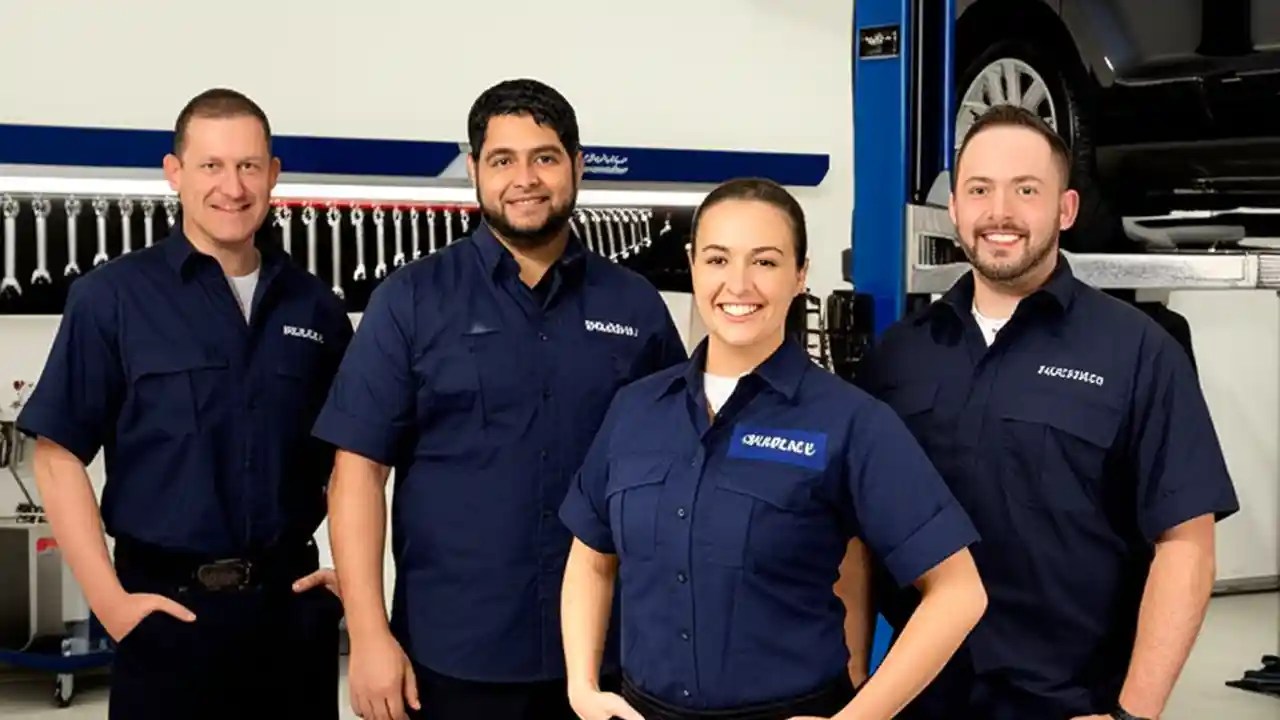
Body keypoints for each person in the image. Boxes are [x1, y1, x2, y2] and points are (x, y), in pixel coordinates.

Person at [312, 77, 688, 720]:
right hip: (454, 656)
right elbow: (358, 475)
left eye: (544, 156)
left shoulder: (636, 307)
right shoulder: (410, 300)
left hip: (607, 656)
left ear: (577, 164)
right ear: (473, 170)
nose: (526, 178)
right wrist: (369, 635)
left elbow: (680, 473)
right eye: (502, 160)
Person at [856, 104, 1241, 720]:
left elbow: (1186, 547)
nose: (1000, 213)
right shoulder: (900, 357)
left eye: (1025, 190)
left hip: (1067, 705)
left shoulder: (1139, 351)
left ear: (1065, 209)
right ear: (953, 208)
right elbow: (858, 541)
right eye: (979, 190)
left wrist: (1132, 714)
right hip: (919, 702)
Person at [558, 177, 989, 720]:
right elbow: (592, 558)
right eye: (718, 259)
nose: (738, 284)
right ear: (692, 265)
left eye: (764, 262)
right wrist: (581, 687)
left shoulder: (850, 422)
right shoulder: (636, 410)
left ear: (800, 273)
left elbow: (959, 592)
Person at [16, 88, 353, 719]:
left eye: (249, 165)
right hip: (169, 617)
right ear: (175, 174)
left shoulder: (317, 308)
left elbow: (351, 460)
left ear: (273, 174)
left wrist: (355, 581)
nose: (233, 186)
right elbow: (58, 455)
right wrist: (110, 604)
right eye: (211, 166)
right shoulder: (111, 299)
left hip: (292, 617)